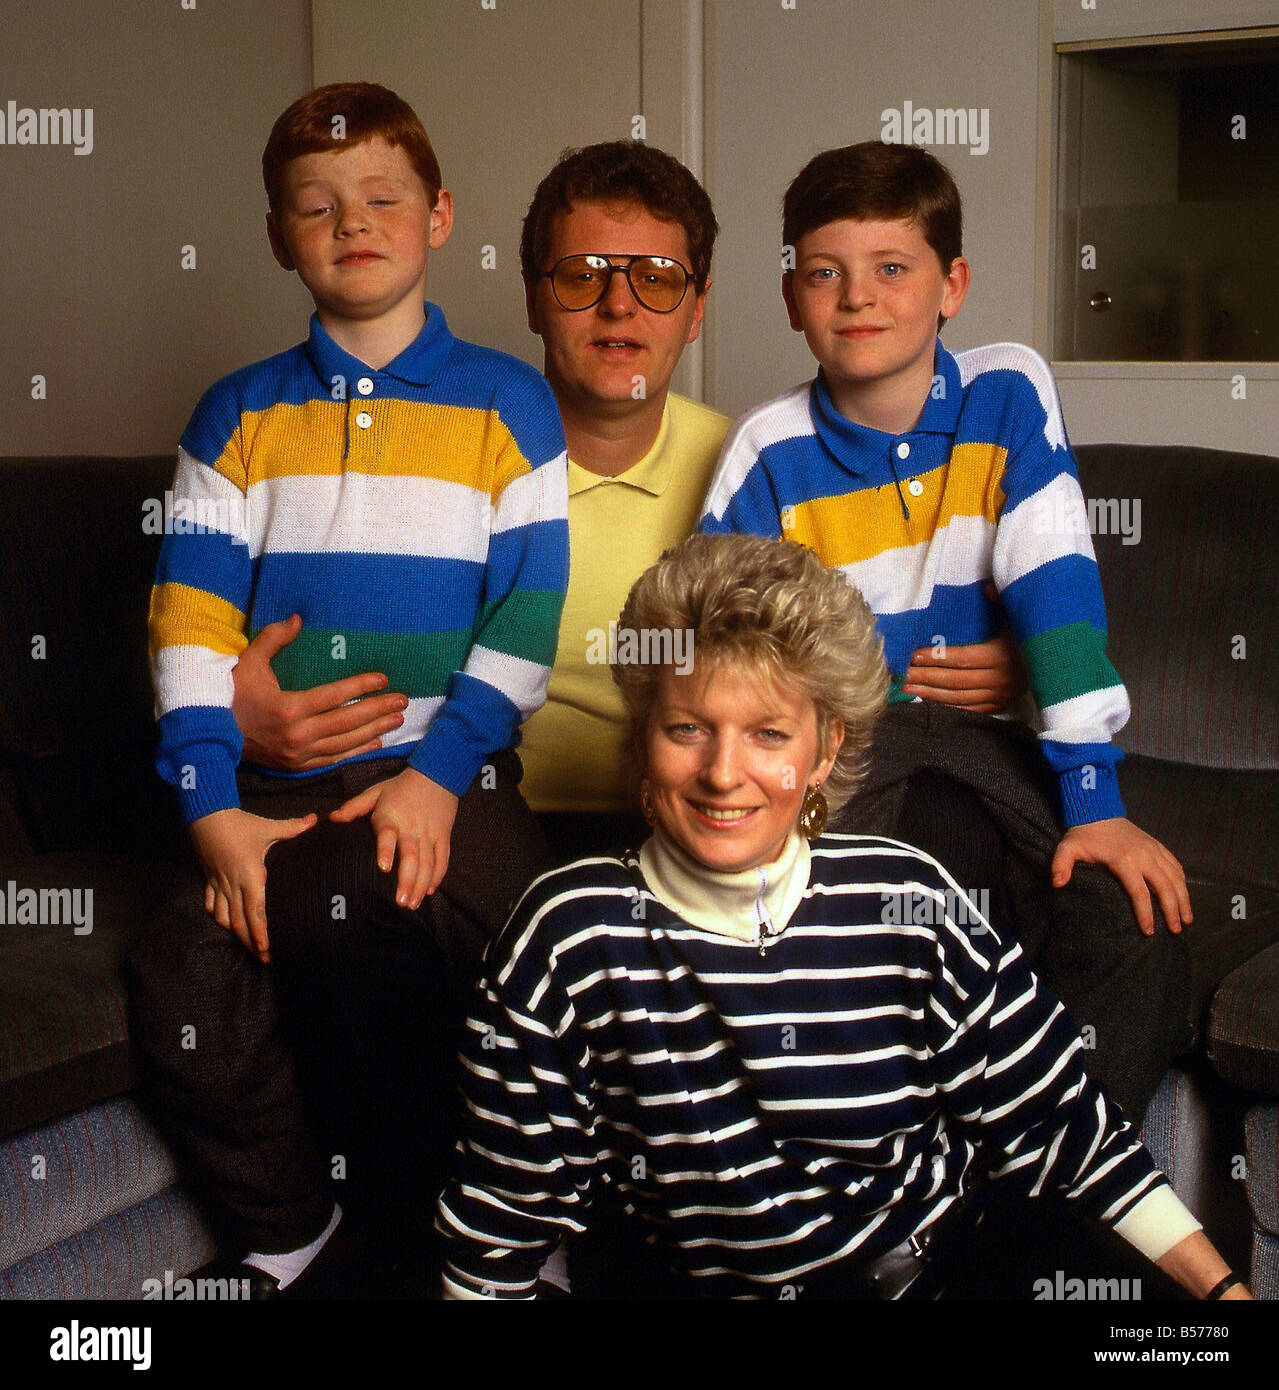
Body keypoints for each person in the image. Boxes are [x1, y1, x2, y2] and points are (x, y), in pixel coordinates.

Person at [435, 532, 1247, 1301]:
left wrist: (1223, 1293)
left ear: (823, 751)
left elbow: (1067, 1127)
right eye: (687, 729)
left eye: (768, 734)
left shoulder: (908, 901)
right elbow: (500, 1225)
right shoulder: (568, 935)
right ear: (644, 738)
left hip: (951, 1270)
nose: (723, 773)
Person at [231, 141, 1026, 858]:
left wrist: (1002, 660)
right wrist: (231, 708)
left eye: (656, 280)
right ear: (533, 298)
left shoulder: (761, 467)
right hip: (466, 816)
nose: (619, 306)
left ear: (698, 307)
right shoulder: (434, 454)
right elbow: (277, 614)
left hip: (703, 828)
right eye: (583, 276)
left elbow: (845, 640)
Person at [128, 81, 568, 1295]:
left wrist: (437, 777)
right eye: (316, 205)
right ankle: (288, 1223)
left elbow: (526, 618)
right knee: (182, 969)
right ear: (280, 236)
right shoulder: (236, 414)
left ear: (439, 216)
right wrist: (211, 806)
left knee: (535, 952)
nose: (352, 222)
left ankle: (534, 1224)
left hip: (449, 769)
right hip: (269, 783)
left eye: (381, 197)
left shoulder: (508, 402)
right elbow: (189, 623)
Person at [699, 141, 1191, 1121]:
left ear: (951, 285)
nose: (857, 297)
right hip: (840, 745)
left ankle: (1056, 1185)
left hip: (984, 740)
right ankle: (876, 1175)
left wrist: (1093, 797)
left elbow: (1054, 585)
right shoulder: (764, 449)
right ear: (792, 297)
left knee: (1129, 917)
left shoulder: (1005, 392)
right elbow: (730, 658)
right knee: (796, 929)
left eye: (892, 268)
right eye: (824, 273)